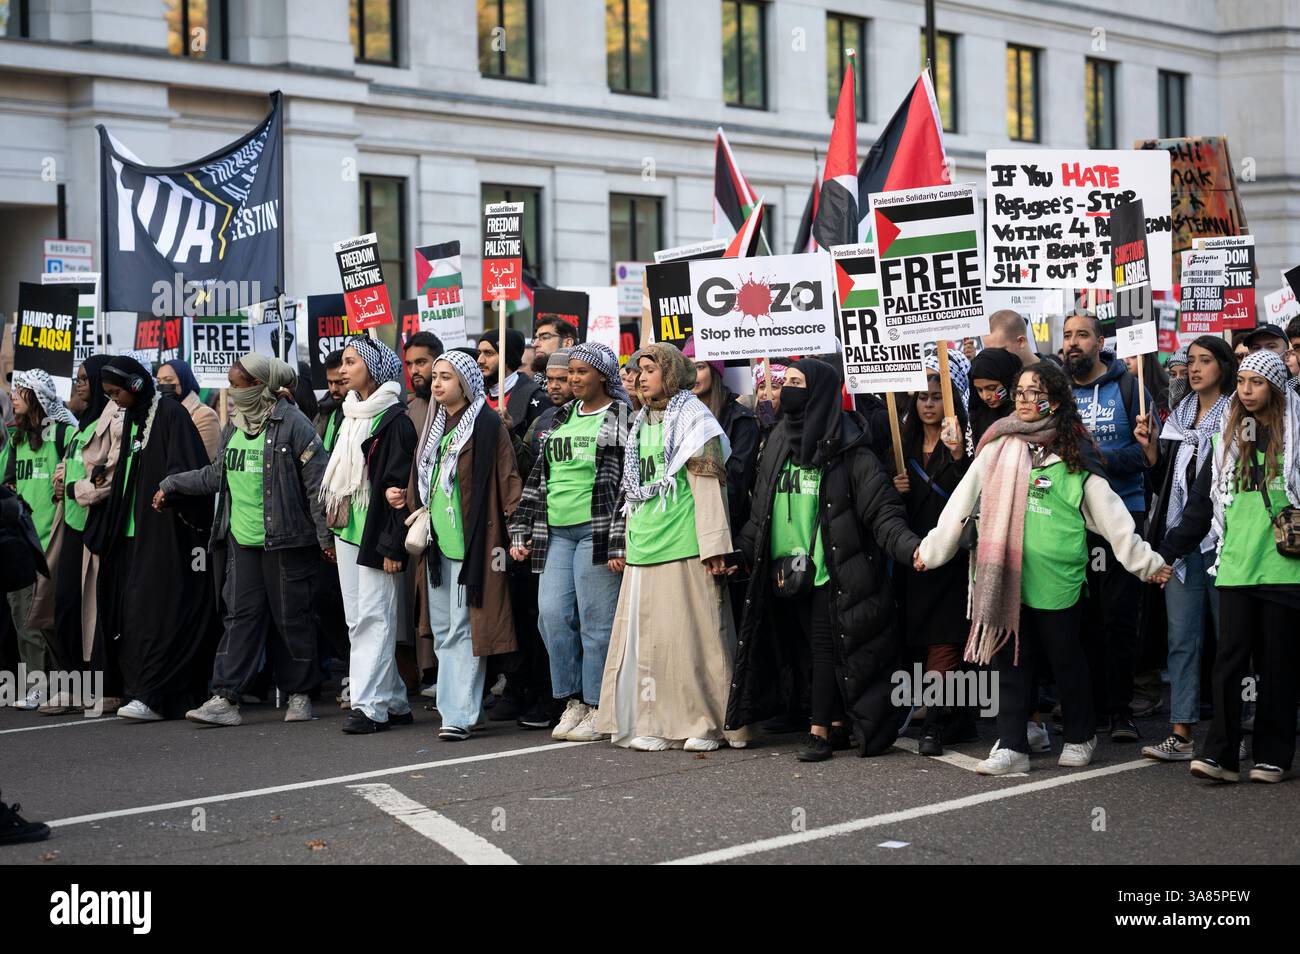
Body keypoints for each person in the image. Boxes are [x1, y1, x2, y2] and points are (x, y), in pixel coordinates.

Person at [917, 361, 1170, 775]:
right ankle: (1011, 746)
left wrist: (1147, 564)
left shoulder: (1075, 451)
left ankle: (1080, 735)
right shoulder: (995, 446)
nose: (1026, 400)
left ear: (1055, 400)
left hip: (1059, 581)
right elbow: (960, 507)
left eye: (1036, 393)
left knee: (1066, 659)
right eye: (1020, 392)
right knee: (1011, 665)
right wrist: (931, 551)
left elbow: (1112, 517)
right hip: (1004, 580)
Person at [727, 357, 922, 761]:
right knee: (803, 646)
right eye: (787, 382)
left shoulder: (849, 445)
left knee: (824, 646)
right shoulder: (779, 439)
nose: (788, 390)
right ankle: (834, 719)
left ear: (818, 391)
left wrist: (912, 549)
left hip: (831, 567)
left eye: (797, 383)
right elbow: (761, 506)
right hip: (786, 568)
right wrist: (739, 553)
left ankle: (817, 732)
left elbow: (882, 511)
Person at [154, 354, 332, 728]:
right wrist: (171, 485)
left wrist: (324, 536)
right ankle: (225, 697)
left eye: (240, 385)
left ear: (262, 386)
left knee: (291, 618)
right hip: (242, 541)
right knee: (239, 618)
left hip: (286, 541)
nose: (233, 393)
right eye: (231, 385)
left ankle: (299, 694)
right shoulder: (233, 427)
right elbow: (216, 475)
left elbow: (318, 484)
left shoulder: (294, 424)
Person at [596, 342, 746, 751]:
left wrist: (715, 546)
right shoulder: (641, 421)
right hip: (645, 544)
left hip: (684, 545)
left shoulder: (696, 421)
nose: (641, 376)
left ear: (672, 373)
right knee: (651, 645)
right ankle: (654, 722)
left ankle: (705, 724)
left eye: (649, 369)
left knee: (692, 643)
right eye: (637, 369)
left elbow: (709, 487)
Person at [1158, 350, 1300, 783]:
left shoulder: (1295, 433)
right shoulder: (1229, 436)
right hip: (1235, 566)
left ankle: (1272, 756)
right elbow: (1201, 506)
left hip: (1284, 571)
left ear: (1275, 387)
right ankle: (1220, 754)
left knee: (1277, 666)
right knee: (1228, 664)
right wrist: (1163, 552)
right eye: (1242, 382)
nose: (1247, 390)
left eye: (1256, 382)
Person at [510, 342, 631, 744]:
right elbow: (538, 480)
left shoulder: (622, 417)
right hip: (555, 533)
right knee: (552, 616)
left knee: (596, 625)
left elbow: (627, 487)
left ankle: (598, 705)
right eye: (569, 372)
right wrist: (520, 528)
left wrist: (618, 541)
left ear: (602, 375)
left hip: (595, 532)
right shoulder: (560, 417)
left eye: (581, 372)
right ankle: (573, 699)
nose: (573, 379)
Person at [405, 350, 521, 741]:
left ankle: (459, 715)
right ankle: (459, 708)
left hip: (475, 545)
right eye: (434, 376)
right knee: (441, 629)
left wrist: (516, 533)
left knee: (463, 628)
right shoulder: (435, 426)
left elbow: (508, 481)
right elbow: (423, 478)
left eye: (446, 377)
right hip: (438, 546)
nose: (436, 384)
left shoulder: (487, 425)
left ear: (466, 384)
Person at [96, 356, 216, 722]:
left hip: (166, 537)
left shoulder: (170, 415)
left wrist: (169, 490)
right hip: (132, 536)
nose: (114, 400)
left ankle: (155, 695)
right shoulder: (134, 418)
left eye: (117, 392)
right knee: (129, 612)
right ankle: (136, 689)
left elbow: (188, 467)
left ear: (134, 385)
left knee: (156, 614)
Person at [1062, 313, 1157, 742]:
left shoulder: (1129, 389)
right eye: (1067, 336)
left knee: (1120, 615)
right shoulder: (1057, 393)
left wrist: (1097, 460)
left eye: (1082, 335)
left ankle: (1121, 711)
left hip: (1123, 514)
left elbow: (1148, 457)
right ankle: (1089, 709)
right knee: (1080, 617)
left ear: (1100, 341)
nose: (1073, 343)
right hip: (1072, 520)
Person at [1141, 336, 1233, 762]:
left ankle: (1230, 731)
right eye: (1190, 362)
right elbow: (1171, 482)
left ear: (1224, 366)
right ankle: (1181, 731)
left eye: (1205, 361)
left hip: (1223, 541)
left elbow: (1208, 491)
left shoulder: (1236, 415)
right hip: (1182, 543)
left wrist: (1169, 548)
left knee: (1229, 641)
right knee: (1182, 638)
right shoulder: (1178, 415)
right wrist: (1153, 454)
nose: (1194, 369)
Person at [319, 337, 416, 734]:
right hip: (348, 530)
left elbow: (398, 490)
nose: (343, 370)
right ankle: (393, 698)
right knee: (357, 618)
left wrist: (393, 544)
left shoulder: (394, 420)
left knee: (374, 618)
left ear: (372, 368)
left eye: (351, 361)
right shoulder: (349, 413)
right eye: (343, 362)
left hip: (376, 534)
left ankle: (369, 706)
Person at [893, 351, 972, 755]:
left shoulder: (965, 444)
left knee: (945, 642)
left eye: (936, 396)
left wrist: (958, 458)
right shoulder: (898, 444)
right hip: (913, 558)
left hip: (952, 558)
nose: (928, 403)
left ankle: (936, 725)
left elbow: (974, 495)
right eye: (921, 396)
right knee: (922, 642)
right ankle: (951, 715)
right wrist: (895, 489)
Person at [3, 370, 77, 711]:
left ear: (36, 396)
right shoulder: (16, 439)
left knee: (51, 619)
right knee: (24, 619)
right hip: (23, 543)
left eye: (19, 391)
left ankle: (63, 683)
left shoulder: (63, 433)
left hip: (56, 541)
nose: (13, 397)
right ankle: (37, 684)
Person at [48, 357, 113, 711]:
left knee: (93, 611)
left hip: (95, 527)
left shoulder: (107, 424)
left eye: (86, 378)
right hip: (71, 525)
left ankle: (98, 684)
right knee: (67, 607)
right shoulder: (79, 426)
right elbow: (72, 464)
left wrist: (74, 486)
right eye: (78, 377)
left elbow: (103, 477)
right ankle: (71, 682)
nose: (79, 383)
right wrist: (62, 479)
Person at [684, 336, 759, 534]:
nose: (692, 375)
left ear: (715, 371)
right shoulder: (672, 418)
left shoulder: (741, 420)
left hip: (724, 528)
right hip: (680, 529)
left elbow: (735, 489)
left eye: (699, 367)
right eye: (687, 367)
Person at [476, 328, 545, 440]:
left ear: (508, 358)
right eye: (479, 353)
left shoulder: (536, 399)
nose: (480, 360)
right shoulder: (477, 397)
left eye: (489, 353)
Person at [517, 348, 573, 482]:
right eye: (550, 379)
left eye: (562, 379)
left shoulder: (599, 416)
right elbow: (526, 468)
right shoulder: (541, 420)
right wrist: (509, 435)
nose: (554, 386)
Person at [157, 359, 221, 462]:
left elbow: (200, 461)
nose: (162, 385)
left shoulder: (204, 416)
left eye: (168, 380)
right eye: (159, 381)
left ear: (184, 380)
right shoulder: (158, 414)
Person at [968, 347, 1022, 448]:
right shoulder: (975, 419)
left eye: (992, 388)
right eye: (979, 390)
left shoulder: (1025, 414)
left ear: (1008, 381)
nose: (985, 396)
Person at [1123, 352, 1172, 421]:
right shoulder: (1119, 392)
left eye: (1133, 356)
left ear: (1146, 358)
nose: (1126, 362)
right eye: (1122, 356)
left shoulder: (1165, 394)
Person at [531, 317, 578, 385]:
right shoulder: (530, 383)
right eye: (535, 339)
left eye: (544, 338)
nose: (535, 344)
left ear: (567, 343)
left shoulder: (579, 385)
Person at [318, 349, 347, 448]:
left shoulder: (358, 413)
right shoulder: (323, 409)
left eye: (340, 382)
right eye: (330, 382)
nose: (334, 388)